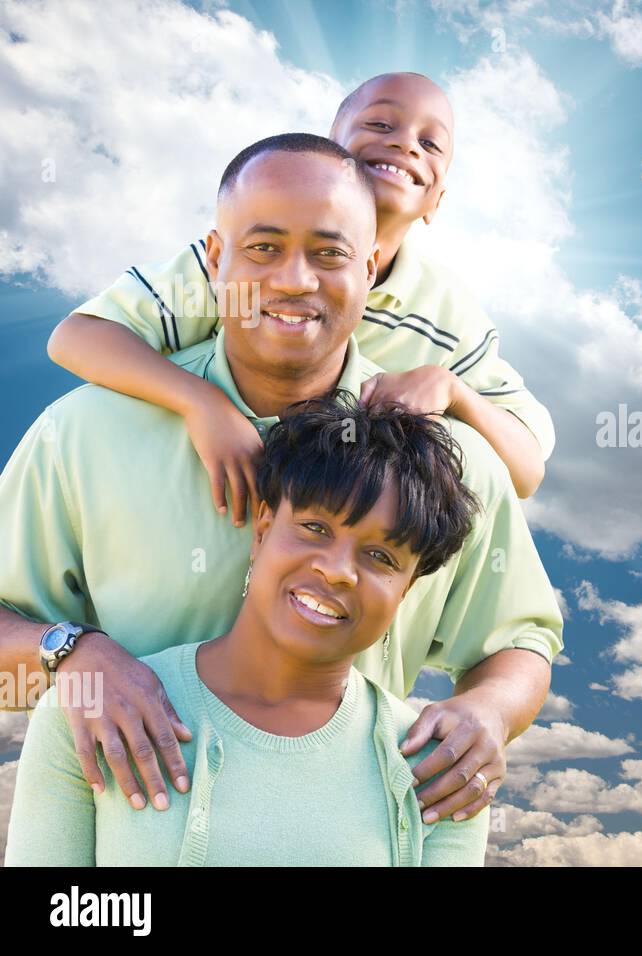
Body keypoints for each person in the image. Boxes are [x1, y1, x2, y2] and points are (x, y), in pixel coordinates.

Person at [0, 133, 562, 832]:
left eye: (329, 254)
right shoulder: (81, 435)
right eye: (263, 248)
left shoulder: (448, 463)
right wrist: (70, 655)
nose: (295, 280)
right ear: (215, 257)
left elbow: (519, 639)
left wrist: (489, 712)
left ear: (372, 264)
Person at [6, 397, 491, 866]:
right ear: (261, 531)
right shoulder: (92, 714)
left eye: (382, 557)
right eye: (315, 528)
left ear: (404, 593)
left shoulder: (443, 768)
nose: (339, 570)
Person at [46, 71, 552, 508]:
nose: (405, 144)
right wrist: (201, 403)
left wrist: (453, 389)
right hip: (197, 489)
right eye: (380, 124)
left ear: (438, 199)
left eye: (431, 142)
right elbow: (77, 337)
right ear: (328, 148)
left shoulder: (448, 315)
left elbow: (525, 472)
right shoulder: (242, 263)